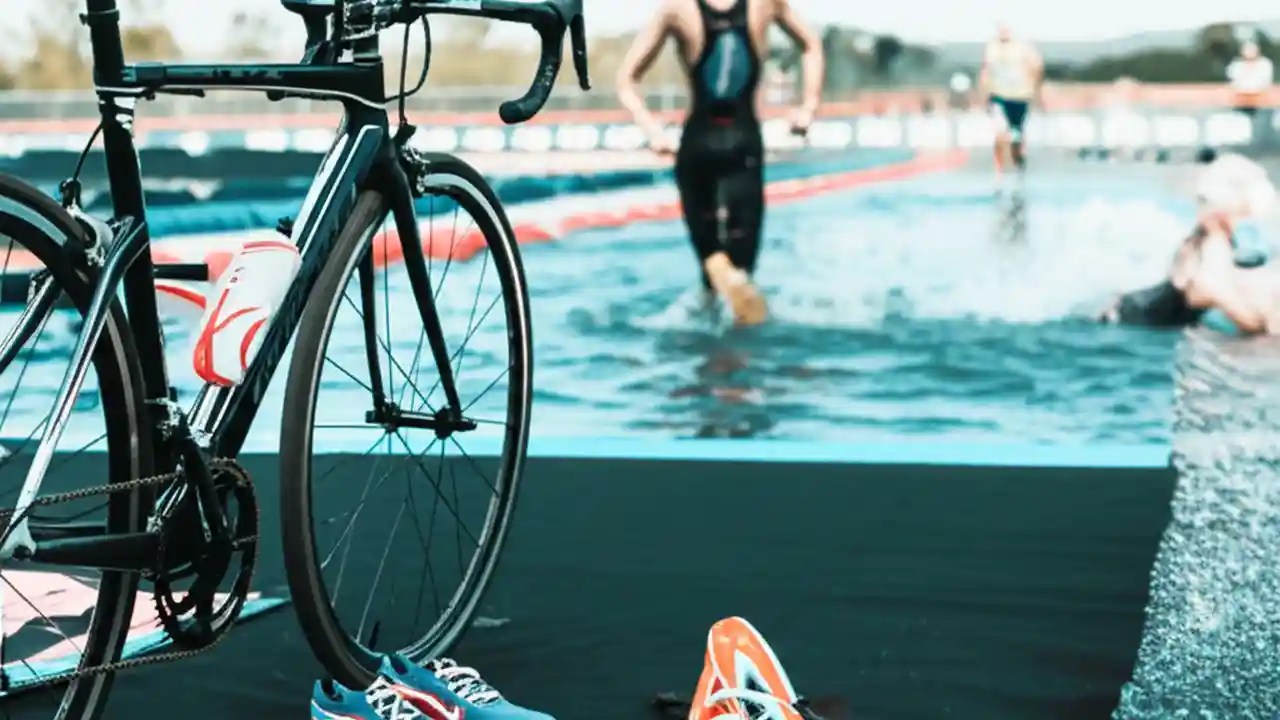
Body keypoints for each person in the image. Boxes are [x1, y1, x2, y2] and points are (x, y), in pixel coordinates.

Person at [615, 0, 824, 327]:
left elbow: (810, 44)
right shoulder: (677, 9)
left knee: (733, 272)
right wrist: (652, 130)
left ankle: (725, 360)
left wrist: (809, 106)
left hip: (733, 149)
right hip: (708, 151)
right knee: (719, 270)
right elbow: (627, 79)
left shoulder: (764, 4)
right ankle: (728, 360)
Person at [1101, 149, 1280, 335]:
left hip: (1138, 313)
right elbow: (1201, 291)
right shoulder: (1213, 234)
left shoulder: (1211, 235)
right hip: (1135, 318)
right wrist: (1256, 325)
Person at [979, 23, 1043, 184]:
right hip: (999, 96)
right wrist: (984, 93)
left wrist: (1035, 88)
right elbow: (985, 70)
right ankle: (998, 174)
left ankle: (1019, 162)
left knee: (1016, 136)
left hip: (1020, 97)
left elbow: (1037, 66)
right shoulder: (991, 47)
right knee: (1000, 133)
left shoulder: (1023, 47)